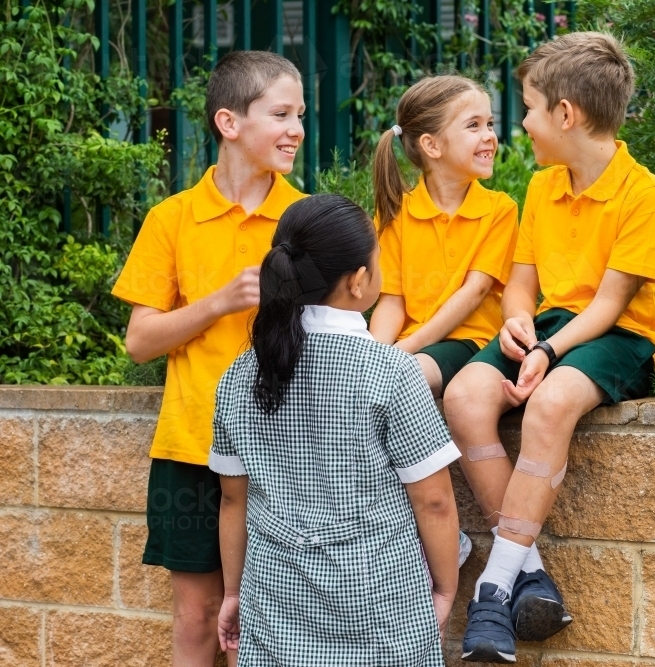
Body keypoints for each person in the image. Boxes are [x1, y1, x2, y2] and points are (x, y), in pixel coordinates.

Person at [443, 32, 655, 663]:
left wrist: (547, 353)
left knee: (547, 407)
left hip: (621, 336)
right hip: (548, 326)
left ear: (566, 114)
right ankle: (530, 570)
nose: (520, 123)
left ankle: (491, 587)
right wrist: (518, 325)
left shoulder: (646, 196)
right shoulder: (544, 187)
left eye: (527, 107)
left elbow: (608, 308)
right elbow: (521, 287)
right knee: (464, 394)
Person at [110, 51, 307, 666]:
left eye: (299, 114)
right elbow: (140, 342)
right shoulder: (171, 220)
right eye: (280, 113)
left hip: (289, 451)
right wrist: (218, 303)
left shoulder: (305, 221)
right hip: (193, 450)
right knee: (196, 619)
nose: (296, 128)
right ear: (229, 122)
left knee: (283, 620)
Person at [210, 194, 461, 666]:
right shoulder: (391, 371)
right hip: (381, 610)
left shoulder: (239, 376)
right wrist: (446, 588)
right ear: (359, 281)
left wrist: (231, 593)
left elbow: (232, 500)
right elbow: (434, 500)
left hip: (274, 606)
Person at [368, 75, 519, 400]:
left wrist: (403, 350)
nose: (489, 136)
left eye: (489, 124)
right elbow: (392, 301)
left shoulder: (499, 210)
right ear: (432, 145)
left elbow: (475, 292)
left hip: (473, 342)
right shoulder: (396, 212)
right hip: (416, 347)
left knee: (407, 377)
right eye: (473, 126)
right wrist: (373, 356)